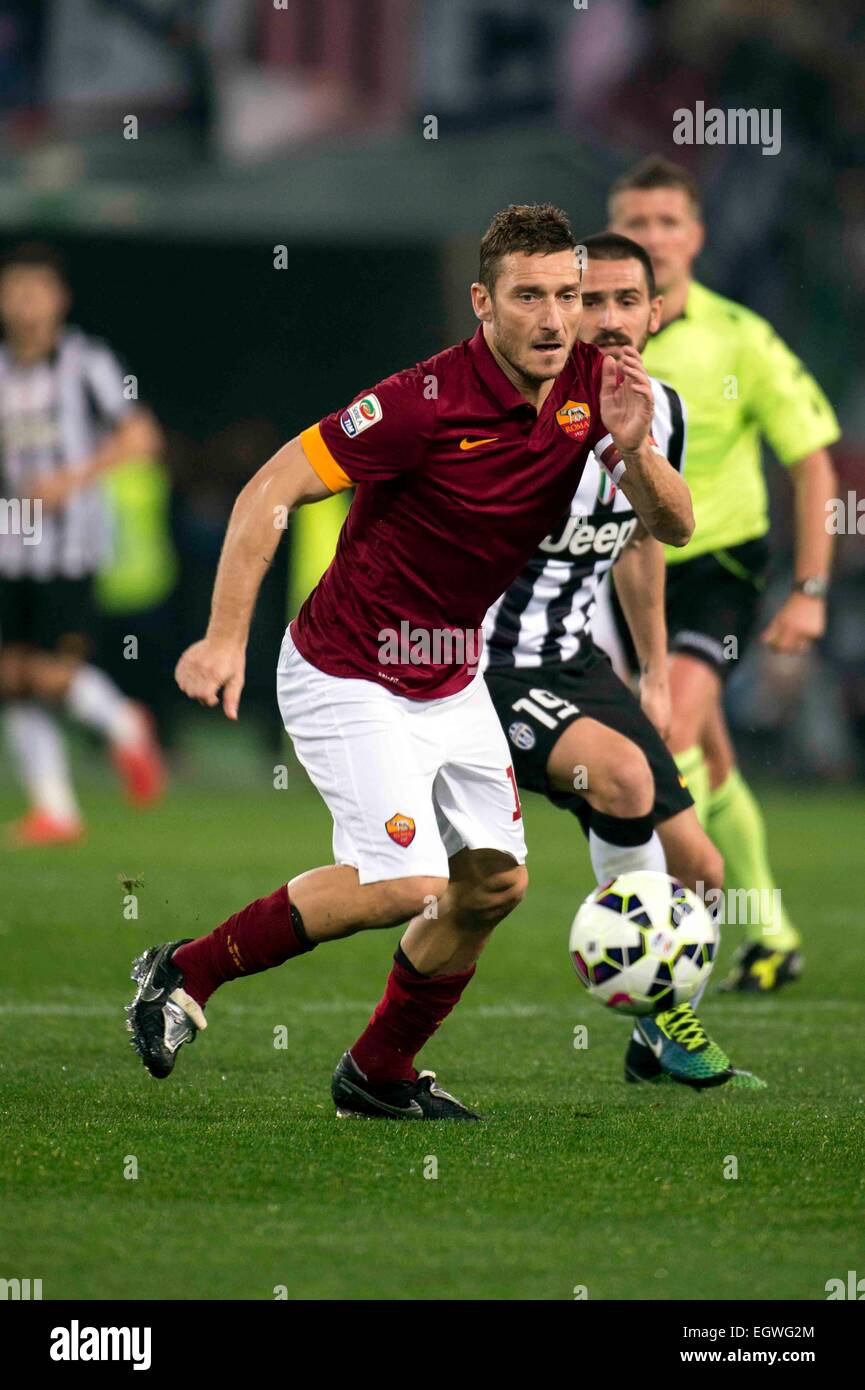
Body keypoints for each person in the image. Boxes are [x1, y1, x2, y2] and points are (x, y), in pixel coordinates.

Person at [126, 203, 693, 1119]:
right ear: (483, 303)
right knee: (404, 885)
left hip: (450, 674)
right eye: (528, 297)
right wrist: (224, 636)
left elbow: (670, 524)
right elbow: (271, 486)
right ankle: (181, 972)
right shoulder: (418, 402)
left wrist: (635, 448)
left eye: (566, 295)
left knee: (493, 885)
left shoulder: (597, 388)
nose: (553, 318)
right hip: (346, 668)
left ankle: (377, 1075)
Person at [484, 232, 761, 1089]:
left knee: (704, 871)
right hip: (479, 665)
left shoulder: (661, 410)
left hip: (575, 661)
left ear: (656, 310)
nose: (603, 320)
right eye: (584, 299)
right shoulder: (515, 404)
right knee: (616, 786)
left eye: (621, 302)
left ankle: (652, 1040)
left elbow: (647, 537)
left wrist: (648, 670)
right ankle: (660, 1019)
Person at [605, 157, 840, 992]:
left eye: (668, 221)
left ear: (696, 236)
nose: (653, 236)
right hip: (619, 567)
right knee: (707, 749)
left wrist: (808, 591)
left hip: (717, 568)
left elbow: (813, 463)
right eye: (635, 220)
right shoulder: (584, 340)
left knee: (666, 739)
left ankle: (670, 954)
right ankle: (770, 934)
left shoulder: (741, 335)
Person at [0, 243, 166, 844]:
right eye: (15, 290)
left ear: (59, 299)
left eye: (35, 290)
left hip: (68, 549)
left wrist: (70, 481)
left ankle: (125, 725)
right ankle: (55, 811)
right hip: (9, 545)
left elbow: (141, 435)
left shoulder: (85, 363)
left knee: (47, 673)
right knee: (12, 675)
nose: (24, 303)